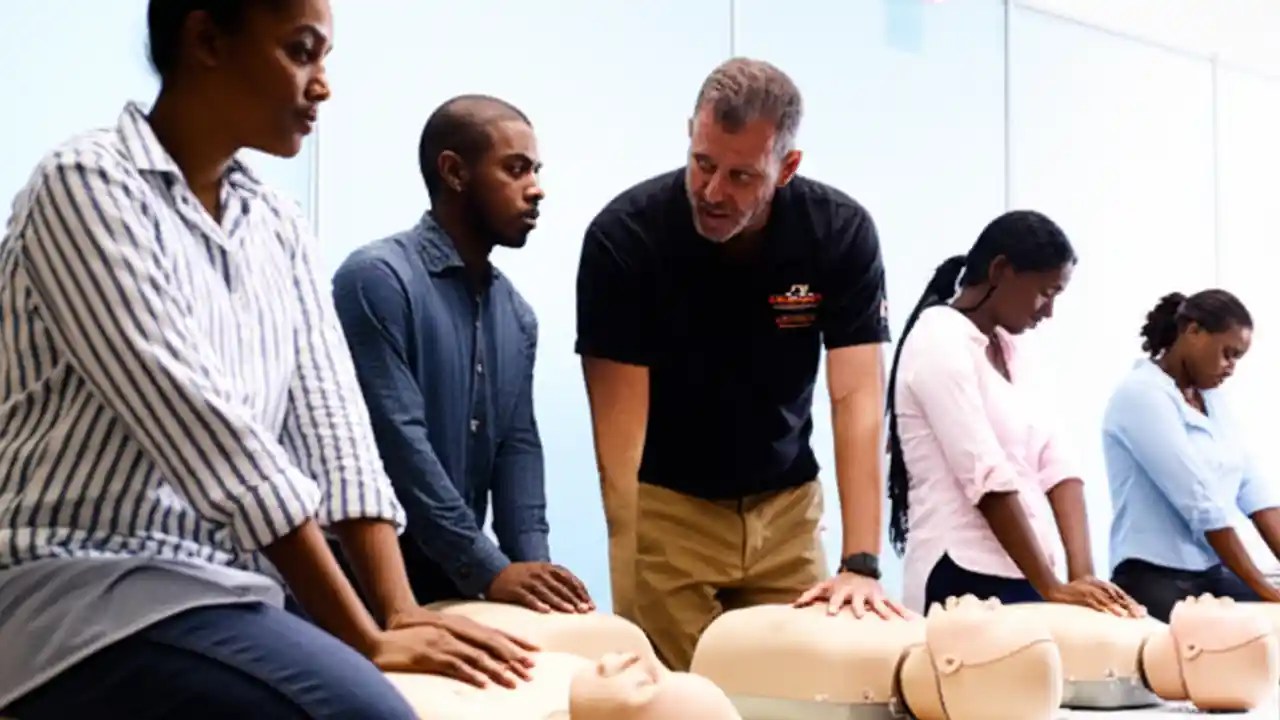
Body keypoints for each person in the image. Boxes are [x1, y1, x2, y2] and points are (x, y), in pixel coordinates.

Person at [0, 2, 539, 717]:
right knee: (365, 711)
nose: (323, 84)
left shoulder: (276, 224)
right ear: (205, 39)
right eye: (301, 51)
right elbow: (215, 441)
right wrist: (363, 637)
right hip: (82, 587)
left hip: (226, 585)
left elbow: (334, 428)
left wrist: (401, 610)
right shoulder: (87, 186)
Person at [574, 56, 905, 672]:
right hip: (669, 510)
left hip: (786, 510)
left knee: (799, 693)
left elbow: (856, 398)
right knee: (682, 699)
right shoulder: (626, 239)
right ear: (690, 136)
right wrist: (632, 584)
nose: (713, 191)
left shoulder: (839, 232)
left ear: (787, 168)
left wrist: (861, 562)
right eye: (703, 164)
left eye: (741, 175)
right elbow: (618, 449)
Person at [332, 94, 594, 614]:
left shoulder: (517, 316)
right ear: (453, 172)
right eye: (515, 169)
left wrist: (536, 578)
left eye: (536, 170)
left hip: (457, 586)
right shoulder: (376, 280)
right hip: (362, 587)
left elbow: (518, 451)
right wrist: (492, 569)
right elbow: (399, 445)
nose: (537, 189)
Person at [885, 210, 1142, 616]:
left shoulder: (1016, 350)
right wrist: (1052, 588)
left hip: (1031, 573)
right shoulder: (938, 339)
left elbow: (1058, 463)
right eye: (1045, 293)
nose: (1048, 312)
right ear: (1001, 270)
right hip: (962, 572)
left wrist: (1081, 577)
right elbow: (985, 475)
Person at [1103, 289, 1280, 621]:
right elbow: (1201, 504)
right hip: (1153, 577)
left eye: (1238, 358)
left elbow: (1252, 486)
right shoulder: (1141, 395)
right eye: (1228, 354)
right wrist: (1265, 590)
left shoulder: (1213, 400)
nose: (1231, 368)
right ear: (1193, 331)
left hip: (1209, 574)